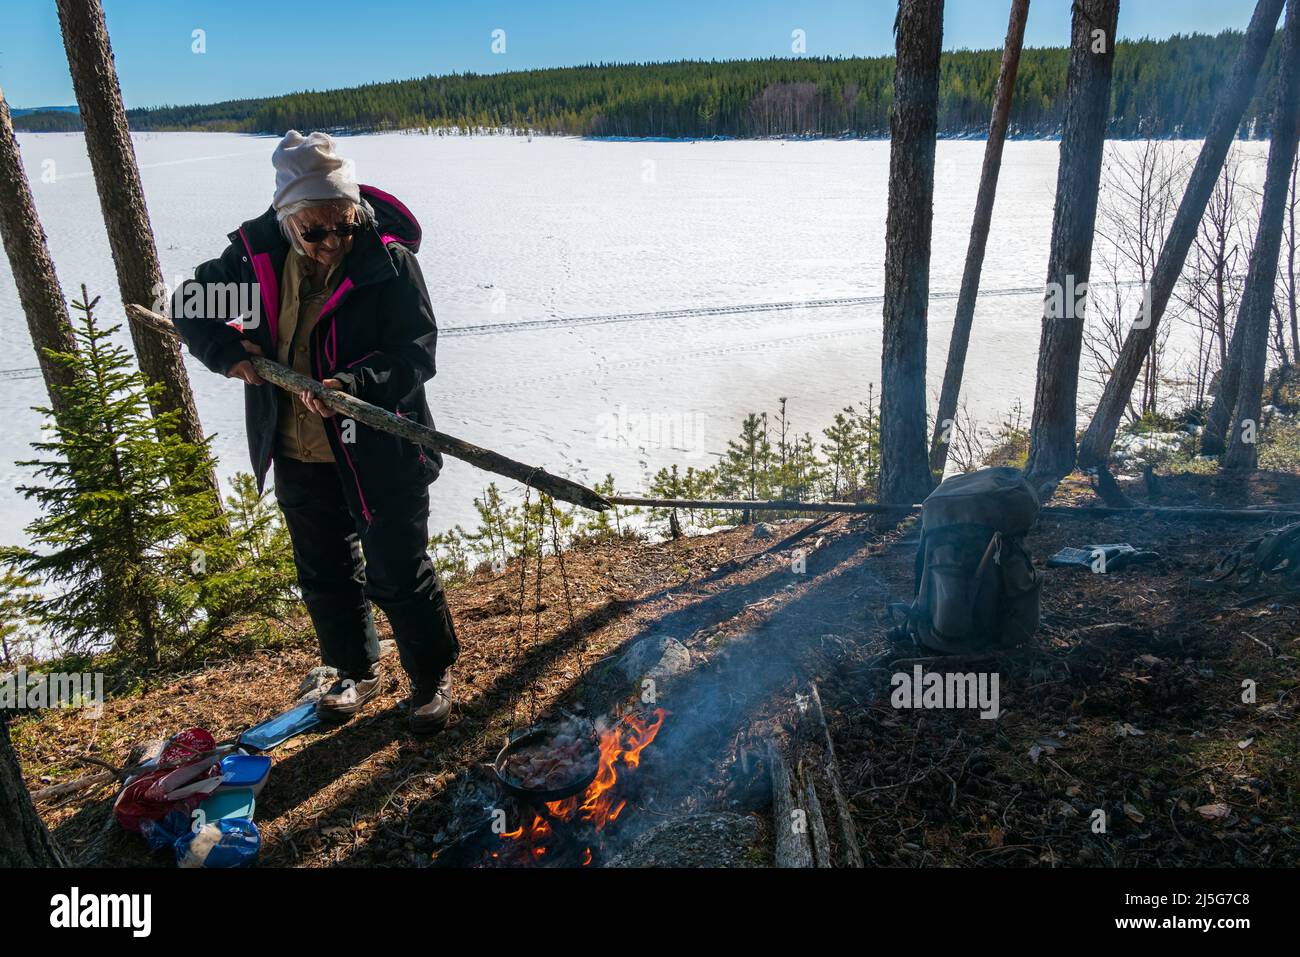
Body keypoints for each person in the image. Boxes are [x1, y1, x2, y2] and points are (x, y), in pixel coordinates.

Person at [173, 130, 457, 735]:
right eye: (316, 232)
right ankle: (352, 670)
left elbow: (415, 352)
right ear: (287, 220)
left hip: (383, 448)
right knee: (326, 570)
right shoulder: (255, 262)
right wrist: (225, 348)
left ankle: (431, 678)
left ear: (356, 213)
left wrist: (355, 386)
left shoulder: (387, 263)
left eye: (344, 227)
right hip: (297, 448)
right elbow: (188, 304)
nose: (333, 243)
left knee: (396, 571)